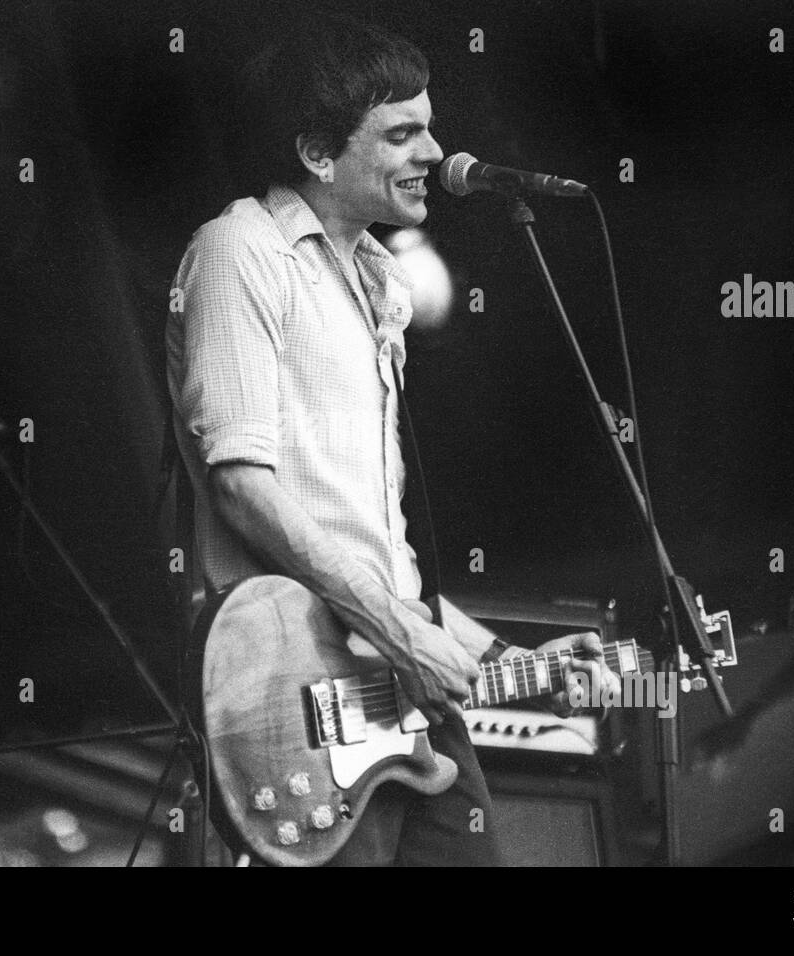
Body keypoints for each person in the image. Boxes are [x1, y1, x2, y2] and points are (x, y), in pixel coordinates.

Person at [166, 16, 617, 866]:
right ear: (317, 151)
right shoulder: (240, 253)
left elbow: (373, 549)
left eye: (429, 126)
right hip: (295, 697)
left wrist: (503, 656)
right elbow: (239, 483)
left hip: (397, 691)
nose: (434, 152)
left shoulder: (378, 278)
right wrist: (402, 635)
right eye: (402, 132)